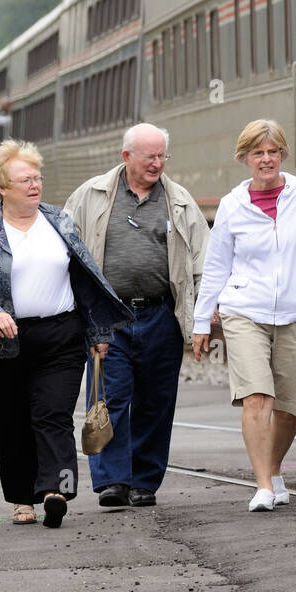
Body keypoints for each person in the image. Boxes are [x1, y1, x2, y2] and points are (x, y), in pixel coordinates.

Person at [0, 140, 133, 528]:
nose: (35, 185)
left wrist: (98, 330)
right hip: (3, 342)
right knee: (11, 421)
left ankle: (57, 490)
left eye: (37, 178)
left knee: (53, 414)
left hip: (61, 334)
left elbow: (84, 279)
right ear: (2, 187)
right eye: (25, 180)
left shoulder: (59, 221)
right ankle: (22, 498)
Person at [191, 119, 296, 512]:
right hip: (245, 311)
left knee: (289, 406)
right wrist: (200, 321)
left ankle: (274, 469)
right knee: (256, 397)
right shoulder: (233, 204)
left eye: (273, 152)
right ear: (244, 158)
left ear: (282, 155)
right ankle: (263, 485)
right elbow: (216, 266)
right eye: (258, 153)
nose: (266, 159)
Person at [64, 122, 209, 508]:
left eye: (163, 156)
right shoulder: (90, 195)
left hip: (160, 314)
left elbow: (201, 262)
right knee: (108, 398)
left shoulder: (178, 200)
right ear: (126, 156)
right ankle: (112, 480)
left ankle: (144, 480)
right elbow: (65, 249)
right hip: (108, 318)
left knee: (155, 402)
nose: (157, 163)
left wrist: (201, 321)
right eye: (150, 156)